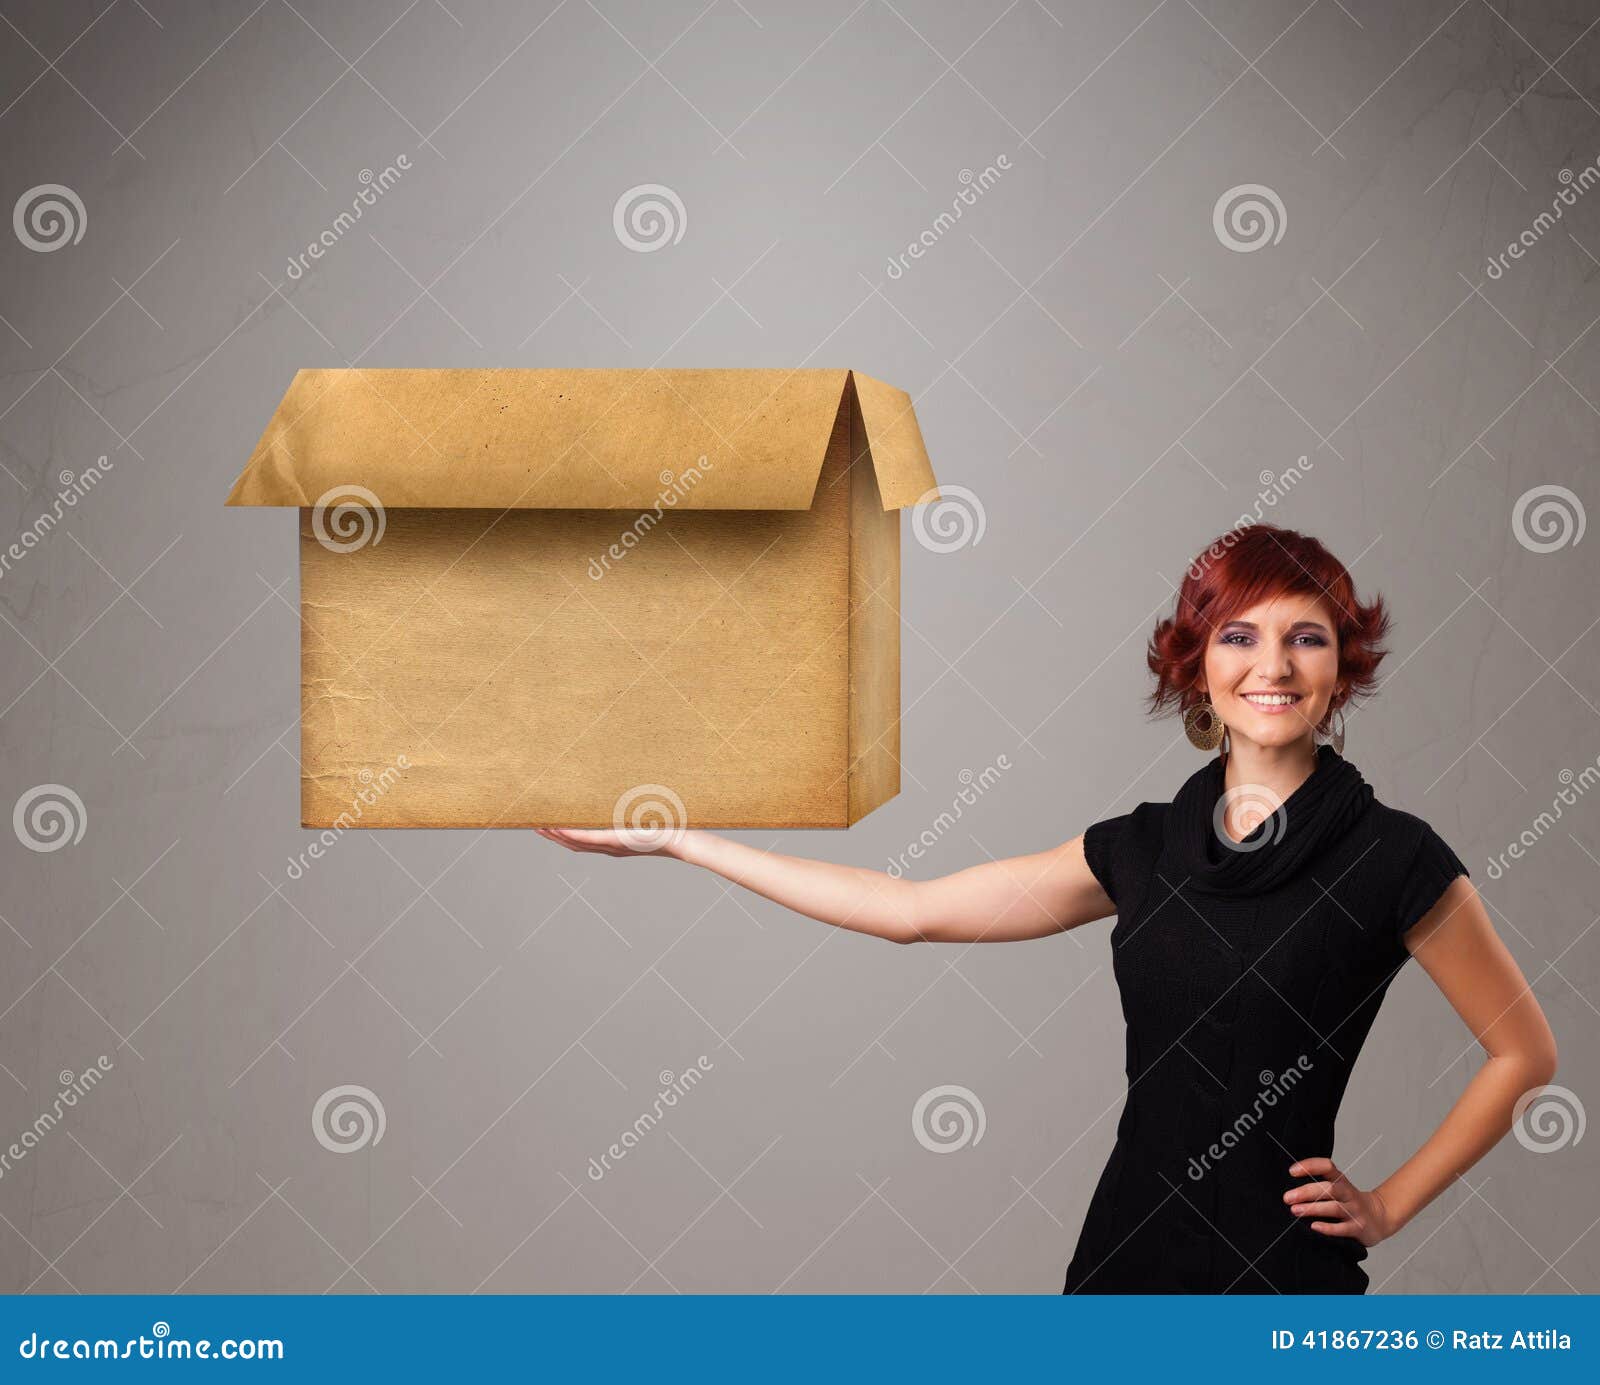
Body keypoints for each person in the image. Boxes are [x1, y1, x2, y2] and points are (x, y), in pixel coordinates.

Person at [536, 523, 1558, 1294]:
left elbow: (1524, 1052)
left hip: (1280, 1279)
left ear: (1342, 670)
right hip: (1123, 1257)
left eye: (1308, 638)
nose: (1273, 665)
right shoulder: (1142, 846)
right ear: (1198, 662)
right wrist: (677, 836)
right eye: (1239, 634)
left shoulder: (1393, 855)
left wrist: (1386, 1204)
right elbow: (911, 909)